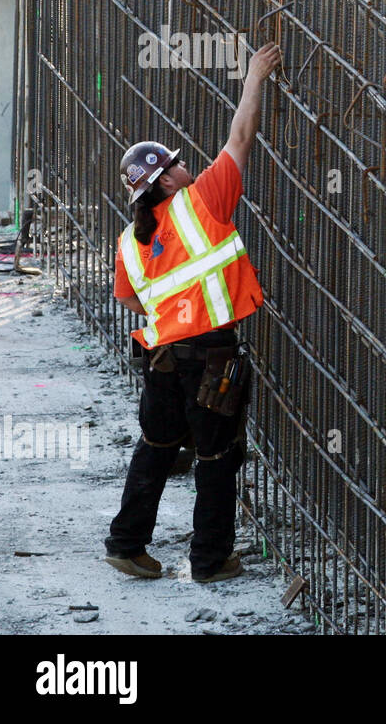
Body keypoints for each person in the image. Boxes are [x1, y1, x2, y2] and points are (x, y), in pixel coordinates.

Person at [104, 41, 282, 582]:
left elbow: (131, 298)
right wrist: (254, 79)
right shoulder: (202, 201)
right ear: (164, 180)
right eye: (178, 163)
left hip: (161, 357)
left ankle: (126, 543)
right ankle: (208, 561)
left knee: (156, 448)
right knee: (216, 456)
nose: (186, 166)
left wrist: (174, 308)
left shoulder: (129, 242)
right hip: (211, 356)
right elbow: (242, 137)